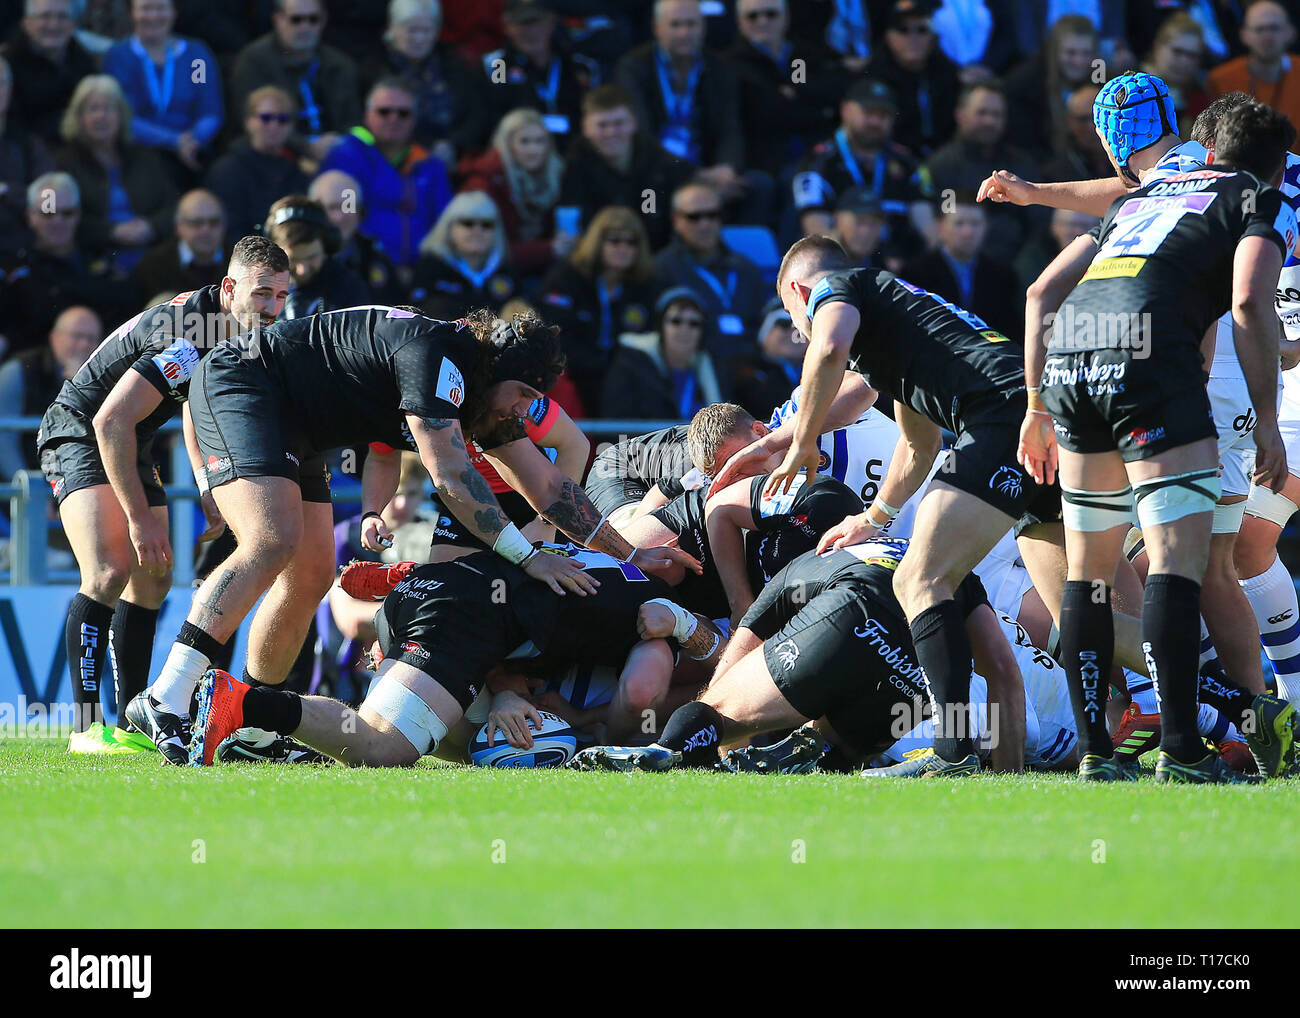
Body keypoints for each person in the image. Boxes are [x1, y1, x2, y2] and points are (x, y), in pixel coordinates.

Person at [131, 307, 696, 763]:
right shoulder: (439, 357)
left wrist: (630, 551)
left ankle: (244, 718)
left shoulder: (477, 389)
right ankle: (168, 694)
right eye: (523, 395)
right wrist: (530, 557)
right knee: (271, 539)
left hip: (296, 420)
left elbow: (548, 486)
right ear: (495, 372)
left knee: (310, 575)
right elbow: (451, 478)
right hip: (246, 383)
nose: (525, 411)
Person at [1020, 82, 1298, 782]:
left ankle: (1095, 754)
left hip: (1074, 350)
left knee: (1088, 575)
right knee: (1182, 562)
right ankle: (1183, 748)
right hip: (1150, 362)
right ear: (1270, 169)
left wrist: (1035, 405)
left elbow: (1040, 293)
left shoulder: (1142, 198)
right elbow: (1244, 302)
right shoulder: (1251, 196)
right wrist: (1267, 419)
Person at [38, 236, 290, 754]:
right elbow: (109, 419)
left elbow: (196, 405)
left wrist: (206, 485)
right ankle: (86, 728)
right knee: (110, 570)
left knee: (153, 578)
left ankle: (132, 724)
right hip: (81, 431)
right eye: (261, 293)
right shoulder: (188, 333)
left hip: (132, 438)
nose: (271, 309)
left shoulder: (228, 331)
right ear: (229, 288)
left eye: (281, 296)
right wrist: (139, 518)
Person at [189, 543, 714, 767]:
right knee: (383, 747)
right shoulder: (650, 621)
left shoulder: (609, 569)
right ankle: (244, 704)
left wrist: (511, 695)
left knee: (465, 740)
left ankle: (254, 728)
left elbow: (520, 624)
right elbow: (671, 676)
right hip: (457, 618)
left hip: (438, 592)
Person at [570, 537, 1022, 773]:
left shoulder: (805, 563)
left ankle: (666, 750)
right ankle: (816, 757)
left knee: (718, 711)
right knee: (831, 759)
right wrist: (1009, 780)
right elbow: (1002, 672)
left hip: (853, 610)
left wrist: (716, 724)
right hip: (916, 674)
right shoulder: (955, 573)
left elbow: (737, 655)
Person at [615, 0, 749, 208]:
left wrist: (727, 168)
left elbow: (730, 128)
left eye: (691, 24)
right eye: (675, 25)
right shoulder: (633, 68)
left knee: (758, 186)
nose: (684, 33)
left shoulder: (721, 68)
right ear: (656, 28)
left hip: (708, 168)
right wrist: (695, 175)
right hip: (656, 169)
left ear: (703, 27)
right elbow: (641, 133)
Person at [792, 79, 935, 268]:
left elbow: (929, 233)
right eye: (868, 113)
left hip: (901, 271)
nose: (875, 122)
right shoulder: (818, 162)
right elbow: (817, 234)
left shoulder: (908, 163)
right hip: (838, 267)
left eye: (883, 115)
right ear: (845, 110)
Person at [318, 77, 452, 269]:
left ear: (414, 119)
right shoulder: (344, 157)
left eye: (403, 113)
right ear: (367, 115)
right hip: (362, 267)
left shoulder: (431, 165)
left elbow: (443, 222)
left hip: (422, 271)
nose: (393, 119)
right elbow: (343, 215)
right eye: (384, 112)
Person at [55, 74, 178, 276]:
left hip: (152, 255)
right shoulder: (64, 164)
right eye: (92, 109)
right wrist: (111, 232)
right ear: (78, 117)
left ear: (122, 115)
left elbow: (173, 206)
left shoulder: (145, 157)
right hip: (93, 261)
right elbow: (60, 220)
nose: (100, 116)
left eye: (109, 109)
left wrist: (151, 227)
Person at [539, 206, 657, 412]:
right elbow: (554, 335)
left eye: (631, 242)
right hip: (573, 377)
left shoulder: (644, 287)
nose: (623, 248)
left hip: (624, 382)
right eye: (614, 241)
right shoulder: (566, 278)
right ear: (597, 242)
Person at [1, 171, 130, 356]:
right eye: (48, 213)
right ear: (30, 216)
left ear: (78, 214)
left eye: (67, 213)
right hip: (36, 372)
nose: (57, 221)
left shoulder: (103, 263)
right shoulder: (12, 272)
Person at [557, 84, 691, 252]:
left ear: (634, 123)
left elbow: (655, 219)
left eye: (618, 123)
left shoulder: (661, 165)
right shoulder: (570, 168)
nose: (611, 132)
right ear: (585, 128)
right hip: (595, 257)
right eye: (602, 125)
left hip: (652, 258)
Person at [101, 0, 223, 185]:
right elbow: (124, 116)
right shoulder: (119, 57)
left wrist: (193, 140)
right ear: (132, 13)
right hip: (139, 152)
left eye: (160, 8)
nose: (153, 16)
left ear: (174, 12)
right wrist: (174, 141)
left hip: (192, 152)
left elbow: (209, 110)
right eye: (146, 9)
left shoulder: (196, 57)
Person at [229, 0, 361, 167]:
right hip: (274, 155)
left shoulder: (340, 64)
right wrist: (305, 148)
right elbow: (251, 121)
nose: (305, 27)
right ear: (278, 19)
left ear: (324, 20)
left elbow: (352, 122)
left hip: (335, 155)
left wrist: (339, 144)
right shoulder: (253, 62)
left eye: (313, 19)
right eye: (296, 20)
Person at [922, 79, 1040, 264]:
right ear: (960, 115)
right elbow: (937, 227)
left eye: (997, 115)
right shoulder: (941, 166)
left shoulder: (1023, 166)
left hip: (1016, 266)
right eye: (981, 113)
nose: (989, 121)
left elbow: (1038, 225)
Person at [725, 0, 845, 179]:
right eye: (753, 16)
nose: (762, 21)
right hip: (767, 161)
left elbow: (803, 91)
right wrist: (791, 97)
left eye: (771, 14)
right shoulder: (733, 63)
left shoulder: (798, 59)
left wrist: (791, 95)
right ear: (739, 23)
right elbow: (764, 111)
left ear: (786, 18)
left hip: (810, 152)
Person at [654, 181, 767, 366]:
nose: (705, 224)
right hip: (695, 367)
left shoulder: (746, 269)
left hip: (750, 368)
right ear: (675, 220)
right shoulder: (660, 269)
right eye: (694, 217)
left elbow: (762, 324)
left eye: (712, 215)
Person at [368, 0, 489, 161]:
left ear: (437, 31)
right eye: (411, 30)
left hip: (452, 157)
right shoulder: (371, 69)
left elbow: (475, 117)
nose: (419, 38)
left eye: (426, 30)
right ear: (392, 29)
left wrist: (454, 144)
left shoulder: (455, 65)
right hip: (390, 157)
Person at [459, 107, 567, 280]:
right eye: (525, 142)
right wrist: (549, 250)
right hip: (494, 276)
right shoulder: (483, 183)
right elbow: (485, 249)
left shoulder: (556, 175)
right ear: (507, 145)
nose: (534, 150)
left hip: (543, 271)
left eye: (540, 141)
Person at [900, 193, 1023, 343]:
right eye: (959, 223)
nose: (968, 232)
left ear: (986, 227)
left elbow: (1009, 329)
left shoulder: (1002, 276)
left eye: (975, 224)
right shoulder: (915, 273)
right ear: (940, 226)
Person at [480, 0, 599, 144]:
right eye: (522, 23)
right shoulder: (498, 66)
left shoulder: (579, 66)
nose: (531, 31)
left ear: (552, 22)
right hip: (520, 151)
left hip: (574, 151)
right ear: (507, 26)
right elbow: (495, 117)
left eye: (536, 22)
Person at [0, 306, 98, 480]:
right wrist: (32, 493)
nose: (84, 345)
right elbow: (4, 441)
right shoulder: (18, 371)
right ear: (54, 338)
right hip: (26, 486)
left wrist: (83, 387)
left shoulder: (105, 378)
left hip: (82, 484)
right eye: (76, 336)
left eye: (91, 338)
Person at [202, 85, 308, 243]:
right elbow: (228, 232)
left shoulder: (296, 170)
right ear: (248, 122)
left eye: (283, 119)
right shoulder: (226, 171)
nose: (274, 126)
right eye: (266, 118)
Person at [603, 287, 723, 422]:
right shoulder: (630, 366)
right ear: (660, 326)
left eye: (694, 323)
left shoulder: (713, 368)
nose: (685, 329)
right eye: (676, 321)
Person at [864, 0, 961, 157]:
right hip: (891, 161)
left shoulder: (948, 73)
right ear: (889, 36)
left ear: (932, 36)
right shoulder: (873, 78)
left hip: (944, 160)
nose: (913, 37)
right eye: (903, 30)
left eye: (922, 29)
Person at [1003, 15, 1100, 159]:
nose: (1078, 61)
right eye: (1070, 53)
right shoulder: (1024, 84)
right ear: (1054, 51)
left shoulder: (1101, 79)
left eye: (1086, 53)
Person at [410, 192, 518, 321]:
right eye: (468, 223)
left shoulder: (506, 272)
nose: (477, 231)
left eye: (486, 224)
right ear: (449, 228)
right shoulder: (430, 268)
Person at [0, 0, 95, 146]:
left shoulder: (83, 60)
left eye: (62, 17)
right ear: (26, 22)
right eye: (45, 16)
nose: (54, 25)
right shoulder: (8, 66)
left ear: (73, 24)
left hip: (79, 152)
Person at [1207, 0, 1300, 147]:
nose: (1267, 36)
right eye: (1259, 29)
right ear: (1244, 35)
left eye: (1274, 28)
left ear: (1291, 33)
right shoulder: (1220, 79)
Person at [263, 194, 369, 318]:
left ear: (327, 247)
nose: (303, 270)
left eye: (311, 257)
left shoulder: (349, 288)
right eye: (292, 260)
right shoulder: (252, 290)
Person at [308, 169, 403, 304]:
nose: (340, 216)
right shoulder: (299, 259)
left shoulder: (375, 257)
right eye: (331, 207)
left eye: (348, 207)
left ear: (361, 212)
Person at [130, 188, 226, 304]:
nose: (206, 230)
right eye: (196, 223)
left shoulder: (238, 261)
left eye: (214, 222)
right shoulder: (154, 265)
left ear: (224, 225)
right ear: (179, 226)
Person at [0, 52, 54, 253]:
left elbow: (50, 204)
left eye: (1, 83)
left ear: (9, 90)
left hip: (28, 251)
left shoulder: (29, 144)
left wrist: (5, 191)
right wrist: (25, 196)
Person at [1143, 11, 1211, 137]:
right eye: (1178, 52)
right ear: (1157, 47)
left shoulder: (1199, 97)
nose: (1184, 61)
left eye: (1192, 55)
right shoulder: (1131, 86)